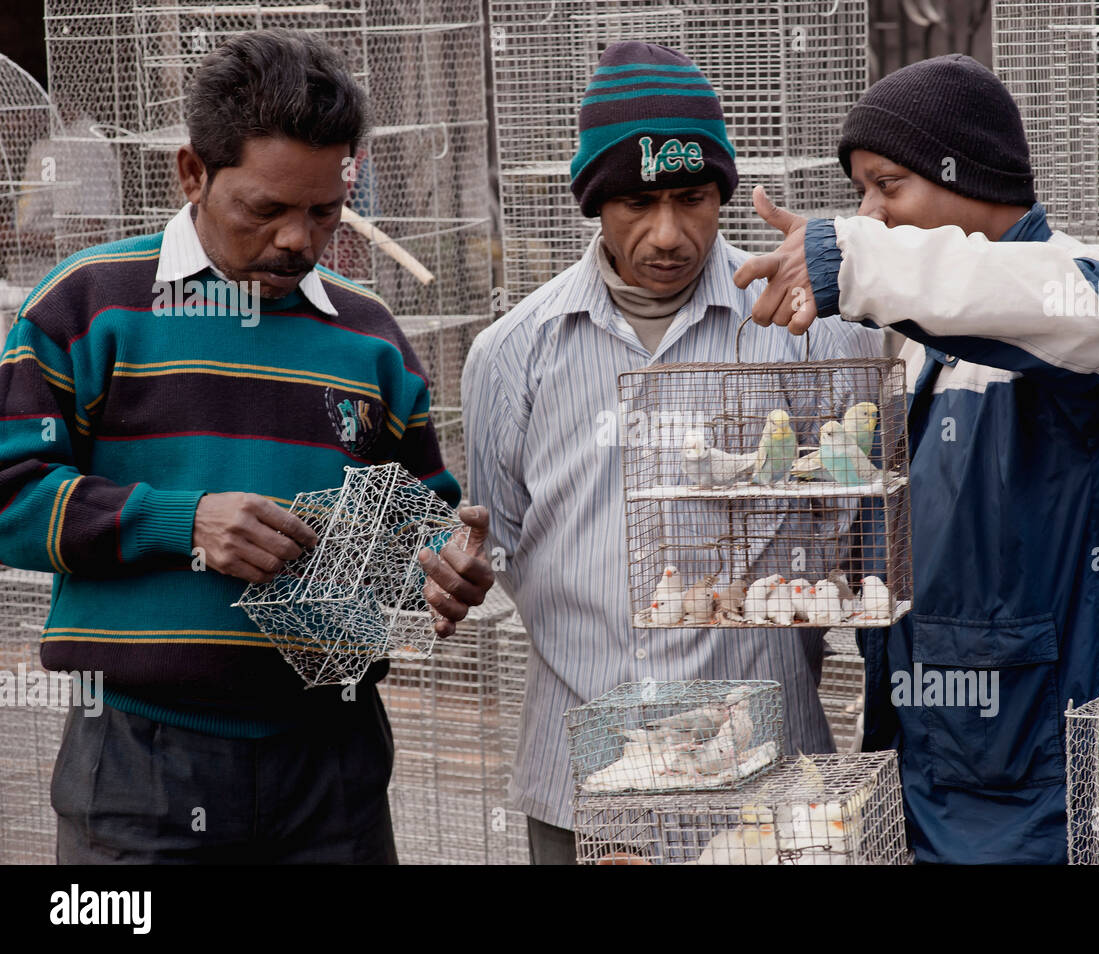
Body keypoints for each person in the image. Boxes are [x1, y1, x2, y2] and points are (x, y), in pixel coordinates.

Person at [0, 28, 494, 864]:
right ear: (192, 171)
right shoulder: (86, 307)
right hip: (138, 771)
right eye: (265, 209)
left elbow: (422, 520)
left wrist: (444, 565)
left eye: (324, 212)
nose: (300, 241)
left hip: (334, 768)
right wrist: (181, 522)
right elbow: (10, 497)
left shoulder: (369, 337)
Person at [735, 53, 1099, 864]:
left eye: (889, 185)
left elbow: (1030, 297)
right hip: (931, 775)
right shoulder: (922, 348)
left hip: (1056, 800)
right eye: (861, 193)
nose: (870, 213)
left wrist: (855, 261)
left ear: (969, 174)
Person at [462, 40, 881, 864]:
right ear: (595, 204)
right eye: (635, 204)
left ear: (723, 194)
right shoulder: (513, 354)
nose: (668, 233)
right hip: (588, 785)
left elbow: (851, 525)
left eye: (693, 198)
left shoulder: (806, 330)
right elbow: (500, 542)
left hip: (771, 779)